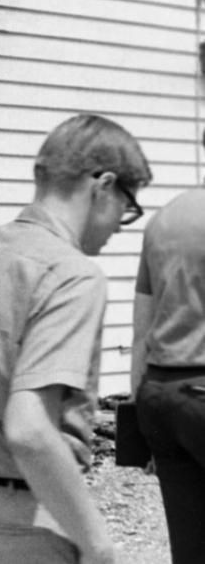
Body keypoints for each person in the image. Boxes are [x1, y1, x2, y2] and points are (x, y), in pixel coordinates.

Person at [0, 114, 150, 564]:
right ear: (104, 186)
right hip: (24, 521)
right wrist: (98, 546)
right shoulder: (72, 275)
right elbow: (31, 430)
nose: (120, 225)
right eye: (128, 207)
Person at [130, 184, 205, 564]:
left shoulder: (163, 219)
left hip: (159, 396)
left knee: (190, 548)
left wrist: (138, 417)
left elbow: (140, 330)